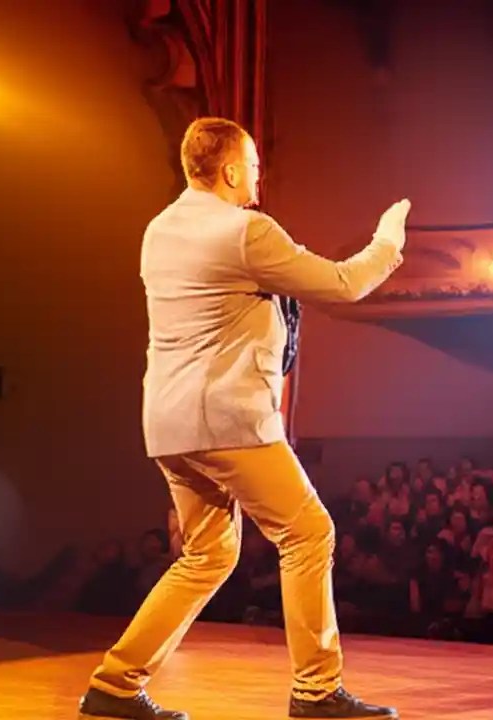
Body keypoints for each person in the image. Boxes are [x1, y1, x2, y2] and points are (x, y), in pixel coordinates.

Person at [78, 117, 409, 720]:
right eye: (254, 164)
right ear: (230, 171)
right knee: (309, 532)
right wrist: (389, 242)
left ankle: (115, 684)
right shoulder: (245, 232)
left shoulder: (159, 229)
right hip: (227, 418)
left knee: (208, 555)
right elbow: (341, 283)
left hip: (169, 422)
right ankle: (316, 691)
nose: (259, 174)